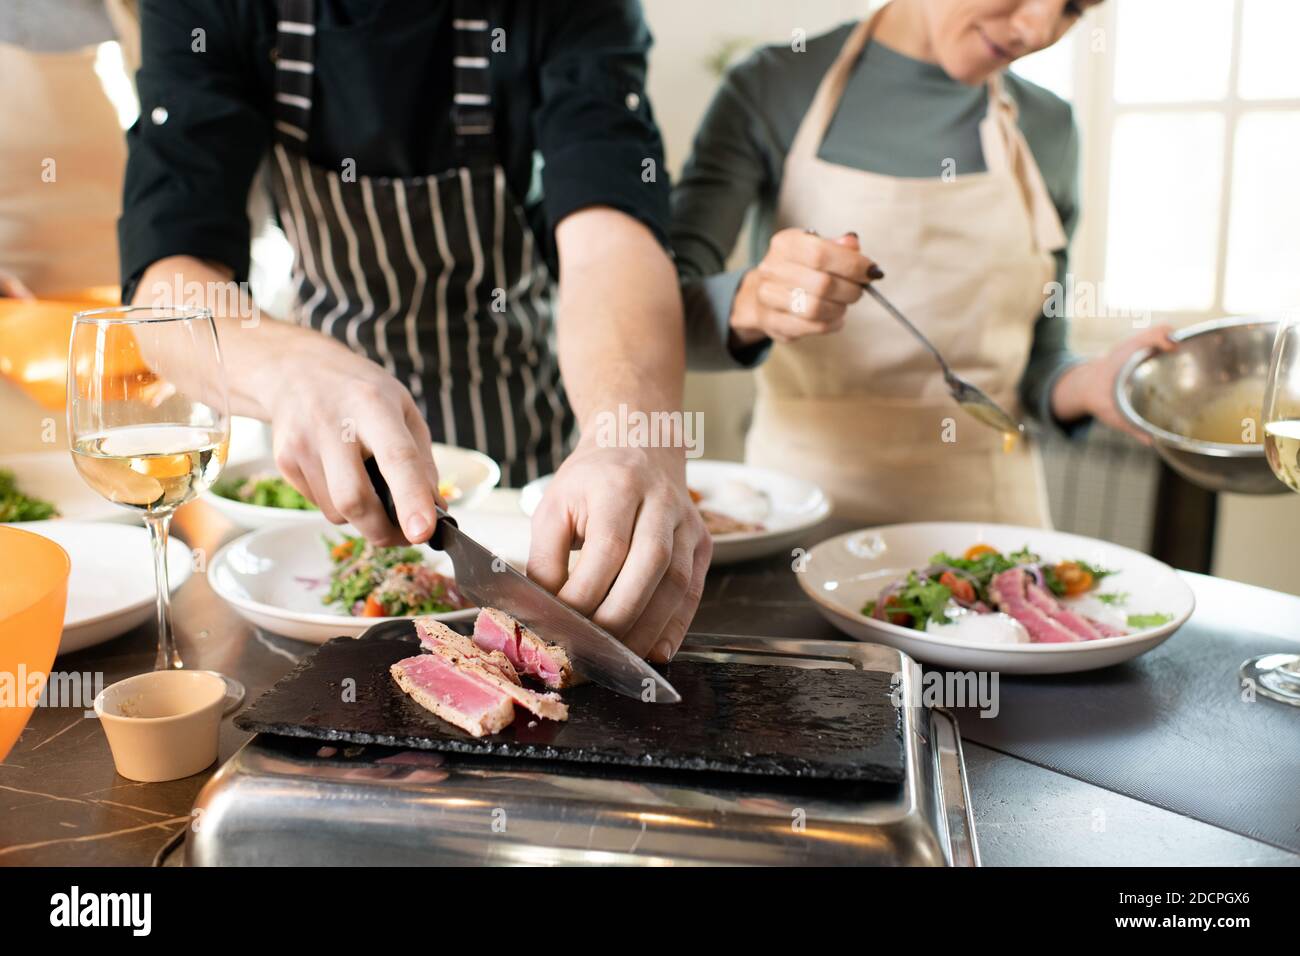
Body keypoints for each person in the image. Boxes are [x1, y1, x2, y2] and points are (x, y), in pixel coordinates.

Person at [120, 0, 709, 662]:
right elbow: (165, 286)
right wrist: (294, 373)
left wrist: (627, 429)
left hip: (528, 459)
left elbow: (609, 234)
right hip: (328, 483)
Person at [673, 0, 1174, 526]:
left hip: (991, 529)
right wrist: (754, 300)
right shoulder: (772, 87)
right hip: (801, 522)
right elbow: (664, 320)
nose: (1039, 27)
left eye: (1074, 8)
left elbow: (1039, 364)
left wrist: (1092, 384)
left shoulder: (1049, 129)